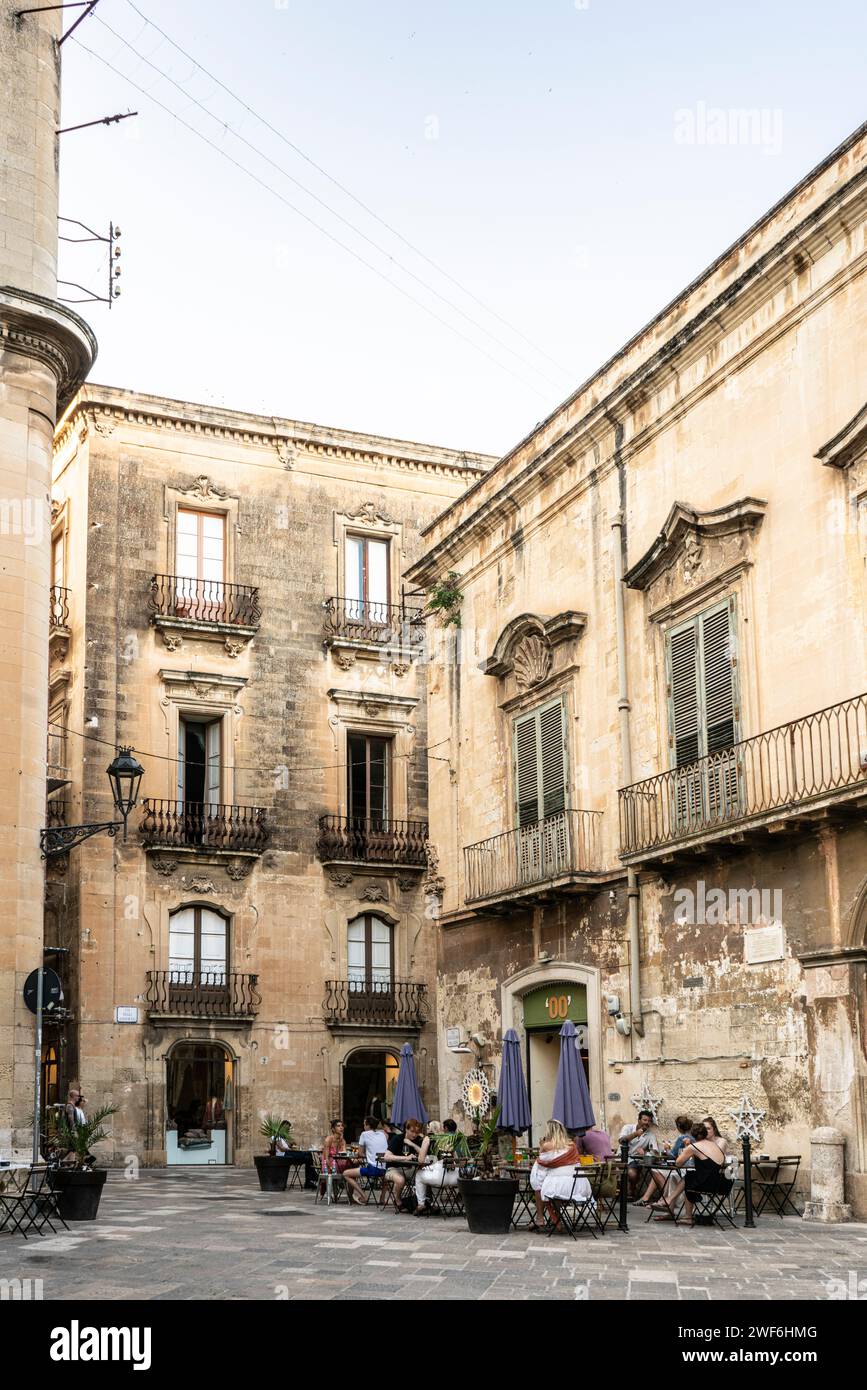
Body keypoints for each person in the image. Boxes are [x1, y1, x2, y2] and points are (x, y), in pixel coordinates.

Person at [528, 1121, 583, 1232]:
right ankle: (558, 1217)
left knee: (539, 1185)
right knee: (554, 1181)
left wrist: (541, 1147)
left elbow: (540, 1167)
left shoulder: (547, 1146)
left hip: (556, 1188)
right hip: (575, 1187)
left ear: (549, 1131)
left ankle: (540, 1218)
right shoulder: (572, 1146)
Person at [637, 1114, 692, 1205]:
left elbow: (672, 1155)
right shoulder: (693, 1136)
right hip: (688, 1168)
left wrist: (666, 1148)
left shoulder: (682, 1138)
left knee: (655, 1170)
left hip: (683, 1169)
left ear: (678, 1127)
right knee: (657, 1170)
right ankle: (647, 1198)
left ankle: (666, 1198)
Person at [413, 1119, 461, 1216]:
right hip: (455, 1178)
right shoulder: (451, 1138)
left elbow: (421, 1160)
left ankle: (421, 1204)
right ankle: (435, 1204)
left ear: (430, 1129)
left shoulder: (428, 1138)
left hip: (439, 1178)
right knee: (433, 1172)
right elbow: (458, 1159)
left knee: (419, 1175)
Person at [343, 1115, 388, 1205]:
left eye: (364, 1124)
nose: (363, 1126)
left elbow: (360, 1153)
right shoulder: (383, 1134)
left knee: (346, 1174)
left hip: (373, 1169)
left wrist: (367, 1156)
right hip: (385, 1169)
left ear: (368, 1125)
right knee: (385, 1178)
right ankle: (382, 1198)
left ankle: (364, 1196)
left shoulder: (364, 1134)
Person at [619, 1110, 660, 1197]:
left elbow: (655, 1152)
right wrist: (635, 1134)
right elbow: (621, 1141)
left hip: (636, 1160)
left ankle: (632, 1190)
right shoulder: (628, 1128)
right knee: (629, 1172)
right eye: (645, 1120)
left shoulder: (650, 1135)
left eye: (649, 1121)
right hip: (621, 1157)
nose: (647, 1122)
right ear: (639, 1120)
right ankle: (627, 1191)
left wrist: (645, 1152)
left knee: (633, 1173)